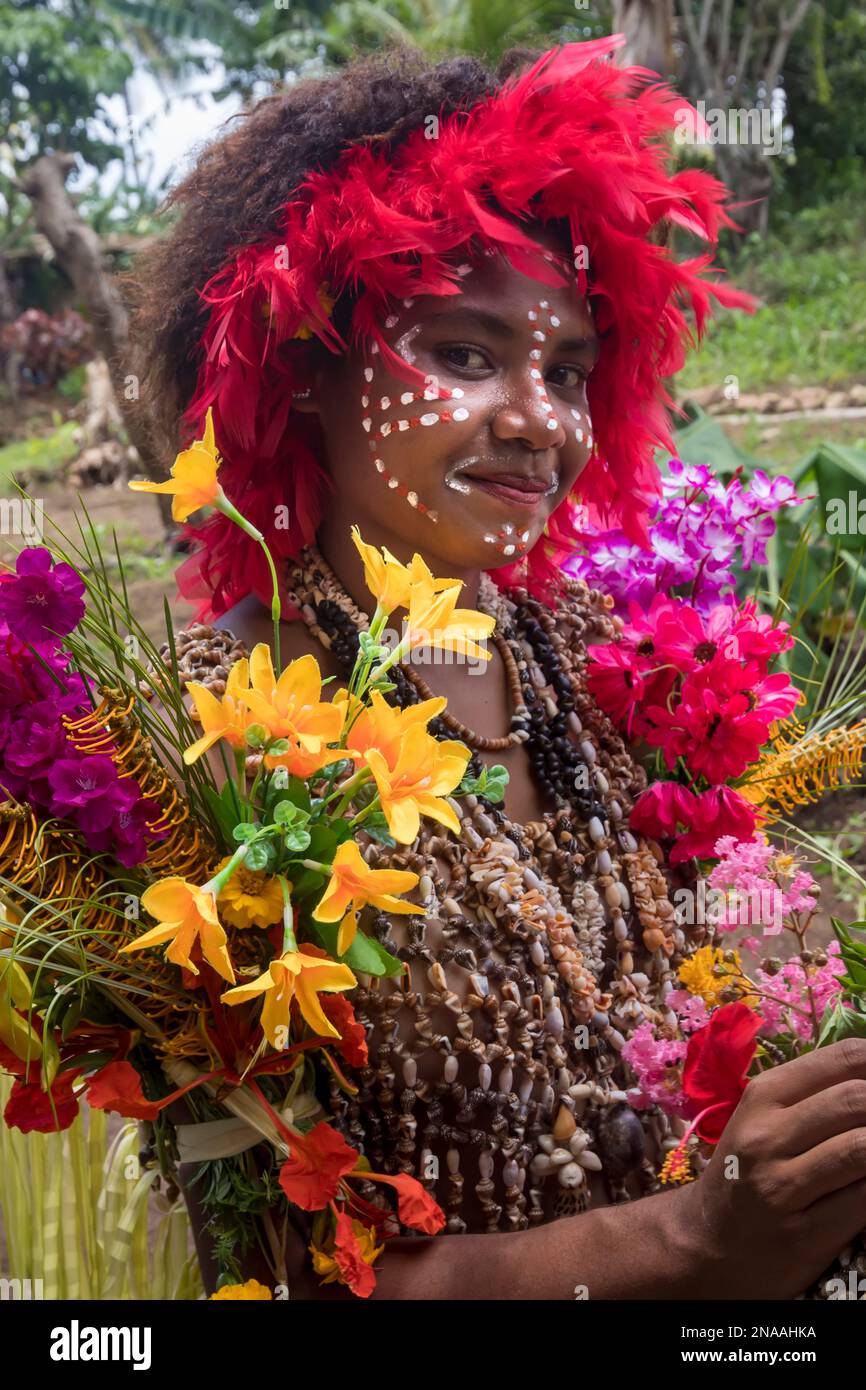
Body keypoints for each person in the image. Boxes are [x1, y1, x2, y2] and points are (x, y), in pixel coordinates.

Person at [130, 39, 866, 1301]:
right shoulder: (198, 748)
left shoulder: (613, 658)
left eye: (568, 371)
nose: (538, 419)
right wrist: (689, 1246)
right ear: (303, 366)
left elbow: (743, 986)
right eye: (465, 355)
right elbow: (278, 1270)